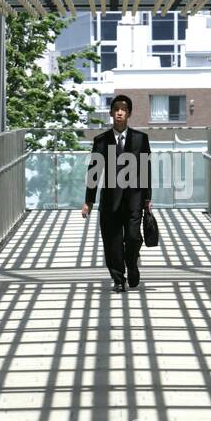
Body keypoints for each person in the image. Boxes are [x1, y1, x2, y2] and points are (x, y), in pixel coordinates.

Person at [81, 94, 153, 292]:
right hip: (110, 200)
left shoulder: (140, 139)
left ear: (129, 113)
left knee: (133, 237)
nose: (120, 112)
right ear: (111, 113)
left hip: (135, 199)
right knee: (112, 242)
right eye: (116, 109)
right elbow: (93, 172)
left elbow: (146, 169)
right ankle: (119, 279)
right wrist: (88, 200)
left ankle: (131, 264)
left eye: (124, 109)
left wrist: (147, 197)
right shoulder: (101, 140)